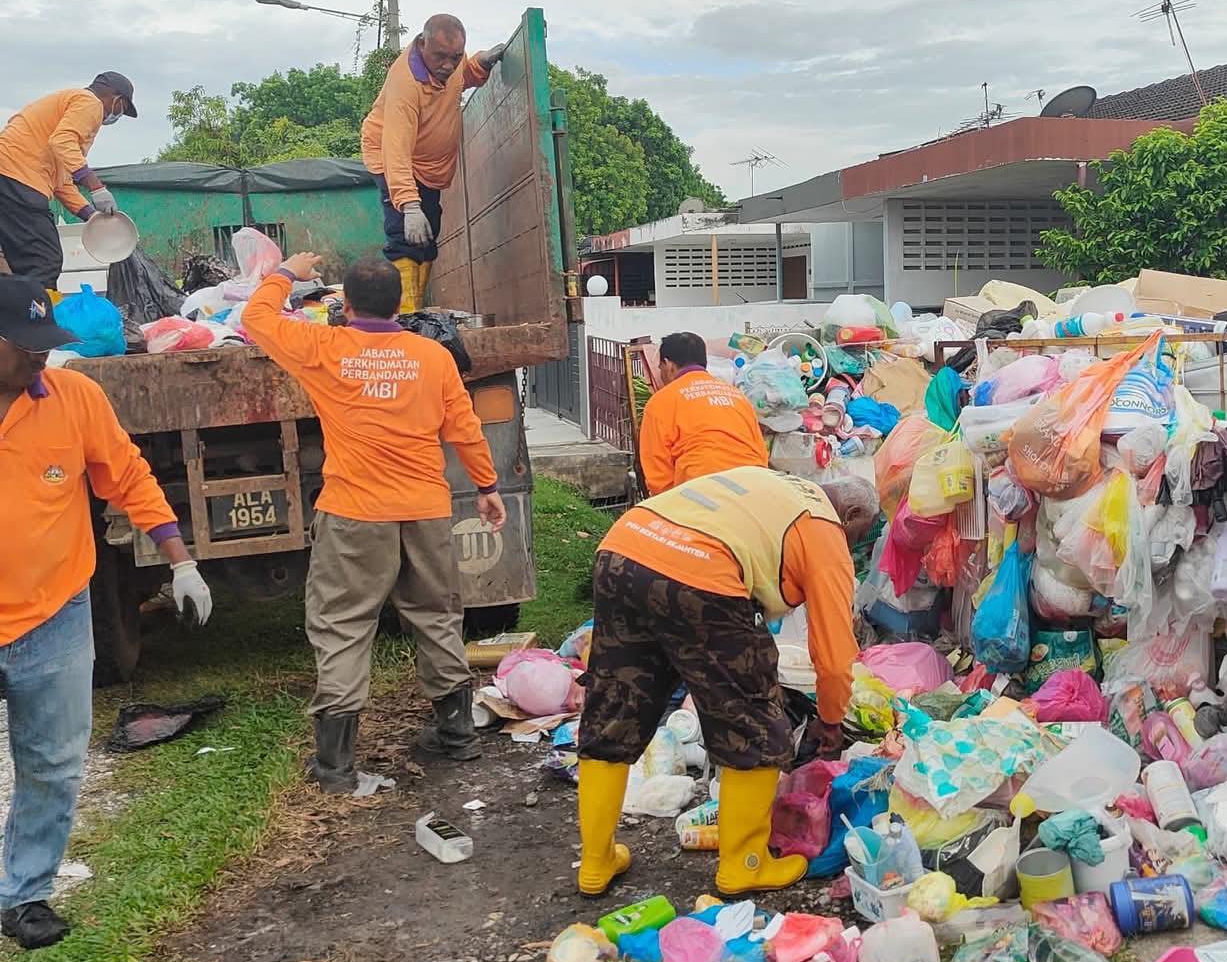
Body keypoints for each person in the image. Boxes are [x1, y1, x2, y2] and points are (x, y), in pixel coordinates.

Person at [0, 276, 212, 949]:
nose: (41, 357)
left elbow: (128, 476)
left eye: (46, 343)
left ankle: (24, 894)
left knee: (54, 764)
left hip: (53, 615)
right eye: (25, 345)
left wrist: (180, 560)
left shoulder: (74, 398)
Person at [243, 252, 506, 793]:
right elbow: (465, 428)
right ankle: (457, 735)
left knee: (343, 624)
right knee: (436, 614)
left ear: (346, 306)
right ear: (401, 304)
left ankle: (336, 766)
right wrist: (487, 487)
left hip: (355, 512)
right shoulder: (432, 357)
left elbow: (256, 320)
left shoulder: (324, 347)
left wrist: (287, 272)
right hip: (427, 509)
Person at [575, 467, 878, 899]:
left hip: (623, 549)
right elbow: (834, 658)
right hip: (701, 574)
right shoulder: (823, 528)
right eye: (858, 535)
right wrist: (831, 723)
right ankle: (745, 864)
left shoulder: (775, 484)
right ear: (848, 514)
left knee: (614, 710)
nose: (851, 547)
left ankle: (595, 861)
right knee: (751, 722)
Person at [359, 15, 503, 313]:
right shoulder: (406, 85)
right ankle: (407, 316)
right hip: (393, 160)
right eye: (441, 57)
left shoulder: (447, 67)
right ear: (422, 44)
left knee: (427, 236)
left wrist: (481, 63)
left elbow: (464, 75)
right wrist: (409, 205)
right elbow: (395, 149)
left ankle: (416, 306)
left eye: (456, 57)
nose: (448, 65)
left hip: (428, 167)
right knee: (404, 235)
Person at [0, 73, 137, 290]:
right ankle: (36, 319)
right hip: (17, 177)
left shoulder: (68, 109)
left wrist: (92, 215)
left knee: (21, 263)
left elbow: (62, 183)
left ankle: (17, 317)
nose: (117, 115)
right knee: (43, 261)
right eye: (122, 109)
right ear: (115, 99)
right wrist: (96, 186)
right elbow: (63, 141)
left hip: (10, 178)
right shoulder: (90, 103)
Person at [637, 331, 770, 493]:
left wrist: (671, 506)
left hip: (700, 493)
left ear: (668, 365)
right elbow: (761, 452)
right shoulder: (737, 396)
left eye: (660, 367)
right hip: (754, 487)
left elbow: (658, 473)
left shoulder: (660, 402)